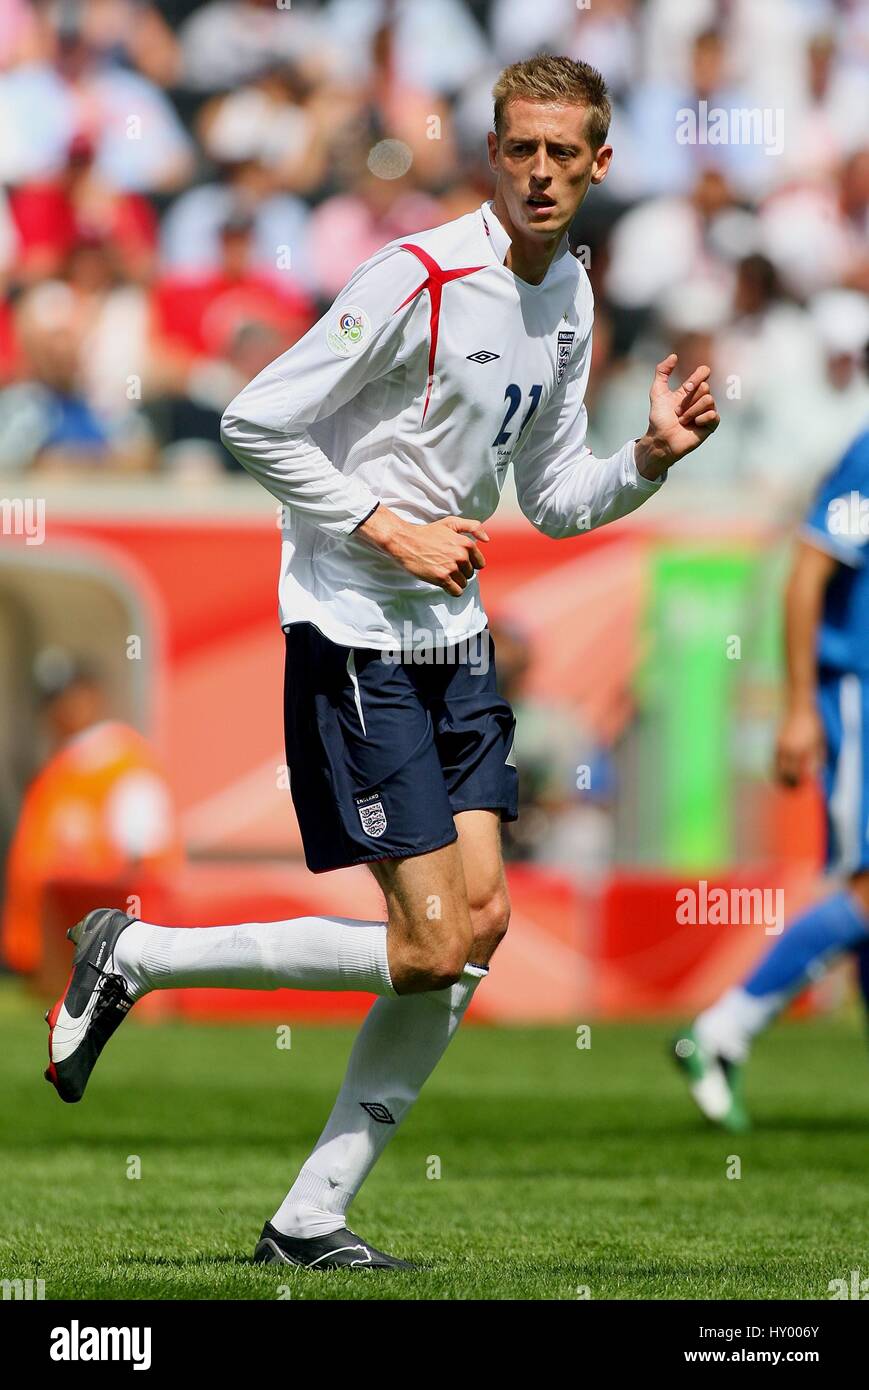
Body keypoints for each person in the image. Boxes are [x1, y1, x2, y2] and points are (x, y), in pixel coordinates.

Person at [44, 55, 720, 1270]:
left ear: (600, 163)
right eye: (521, 148)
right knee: (426, 948)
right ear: (490, 153)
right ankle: (135, 955)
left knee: (483, 922)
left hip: (452, 641)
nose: (541, 171)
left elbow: (553, 499)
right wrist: (384, 524)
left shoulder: (566, 293)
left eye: (565, 152)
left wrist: (649, 460)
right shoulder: (413, 275)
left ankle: (308, 1218)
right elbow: (257, 416)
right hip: (354, 632)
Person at [674, 419, 869, 1133]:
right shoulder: (868, 452)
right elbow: (808, 569)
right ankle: (722, 1031)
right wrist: (797, 709)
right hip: (856, 689)